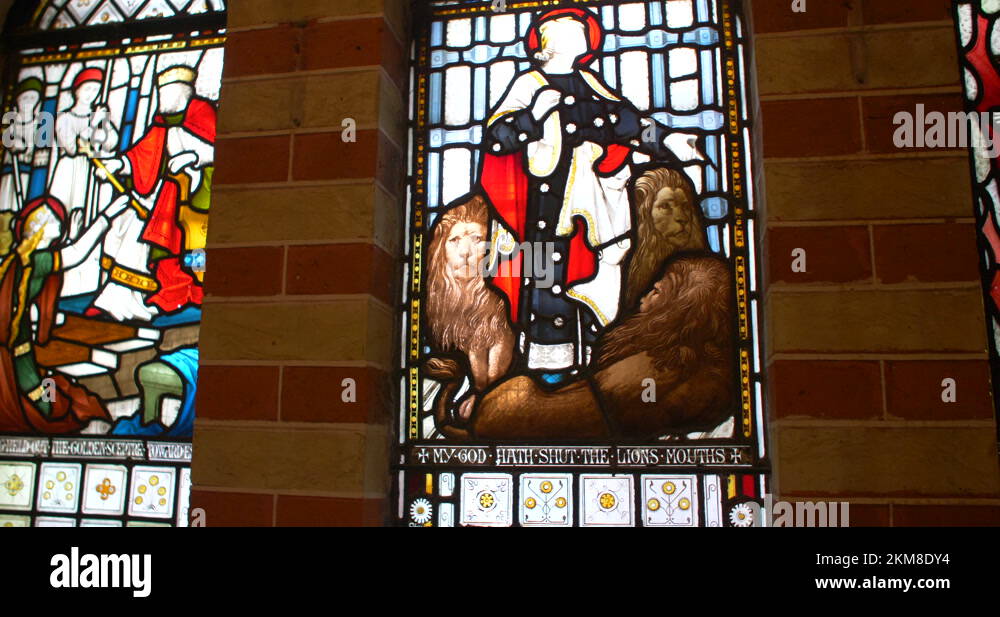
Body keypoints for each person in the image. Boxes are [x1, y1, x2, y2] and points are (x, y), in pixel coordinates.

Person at [479, 8, 700, 381]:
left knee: (602, 273)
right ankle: (550, 372)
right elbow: (496, 140)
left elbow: (626, 123)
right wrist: (532, 117)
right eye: (572, 30)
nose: (582, 34)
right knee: (549, 275)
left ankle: (602, 360)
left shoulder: (591, 85)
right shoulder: (528, 84)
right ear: (548, 42)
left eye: (582, 30)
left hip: (597, 201)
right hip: (544, 205)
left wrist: (668, 139)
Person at [93, 64, 216, 321]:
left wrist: (193, 157)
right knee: (122, 222)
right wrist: (119, 164)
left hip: (185, 193)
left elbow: (219, 151)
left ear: (183, 93)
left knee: (141, 231)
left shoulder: (202, 117)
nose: (163, 100)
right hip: (158, 194)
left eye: (167, 94)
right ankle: (118, 295)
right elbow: (142, 156)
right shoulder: (161, 125)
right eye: (161, 94)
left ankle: (131, 297)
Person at [0, 194, 128, 433]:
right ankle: (50, 414)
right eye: (55, 219)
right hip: (15, 346)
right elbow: (76, 254)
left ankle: (49, 403)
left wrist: (72, 236)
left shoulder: (20, 260)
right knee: (41, 396)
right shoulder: (35, 261)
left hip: (18, 341)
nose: (61, 222)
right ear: (41, 228)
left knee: (39, 382)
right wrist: (105, 217)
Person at [49, 67, 120, 297]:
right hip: (72, 173)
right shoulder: (65, 118)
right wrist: (93, 124)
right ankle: (60, 278)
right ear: (76, 90)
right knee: (67, 219)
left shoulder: (99, 114)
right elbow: (72, 147)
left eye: (96, 89)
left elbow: (111, 143)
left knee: (92, 218)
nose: (91, 94)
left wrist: (104, 123)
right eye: (87, 88)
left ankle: (87, 277)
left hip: (94, 173)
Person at [0, 78, 42, 214]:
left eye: (32, 97)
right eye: (25, 97)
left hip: (26, 173)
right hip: (8, 173)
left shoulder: (39, 124)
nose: (28, 101)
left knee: (21, 205)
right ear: (17, 99)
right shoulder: (9, 123)